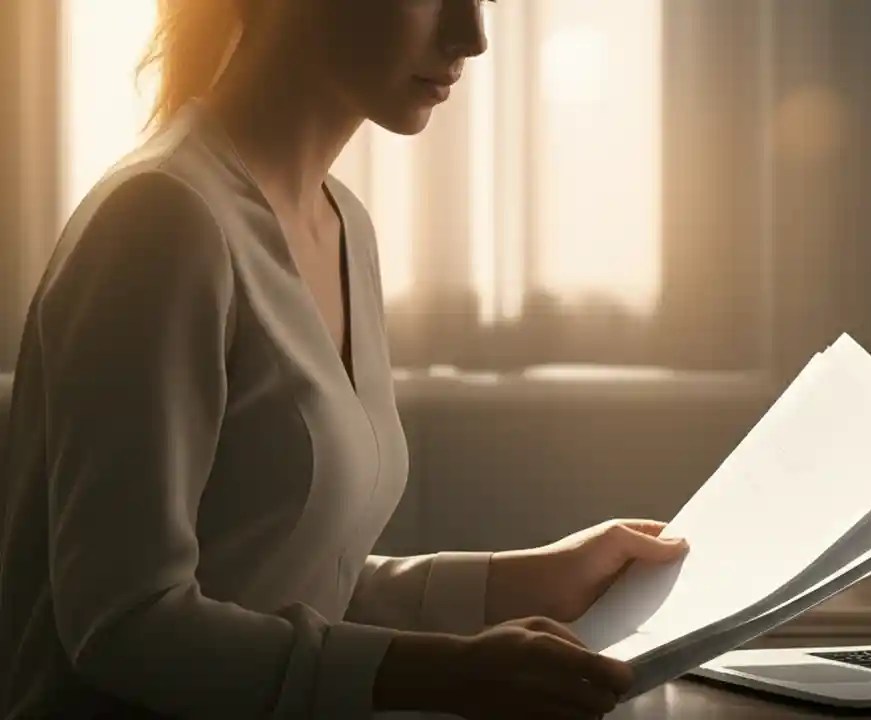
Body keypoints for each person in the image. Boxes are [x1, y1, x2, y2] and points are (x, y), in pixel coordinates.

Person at [0, 0, 689, 717]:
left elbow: (277, 577)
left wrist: (525, 580)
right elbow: (124, 625)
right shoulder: (161, 221)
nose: (473, 37)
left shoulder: (341, 223)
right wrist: (446, 673)